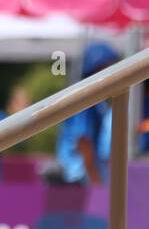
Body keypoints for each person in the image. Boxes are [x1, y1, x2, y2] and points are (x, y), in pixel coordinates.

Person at [44, 42, 120, 185]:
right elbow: (83, 142)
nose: (115, 73)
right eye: (110, 67)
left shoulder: (95, 101)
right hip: (74, 178)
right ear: (97, 69)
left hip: (79, 176)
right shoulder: (85, 101)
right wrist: (96, 181)